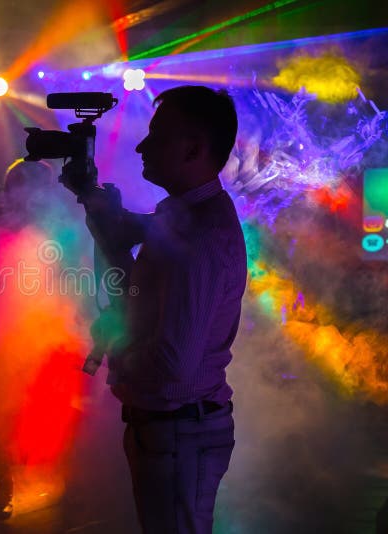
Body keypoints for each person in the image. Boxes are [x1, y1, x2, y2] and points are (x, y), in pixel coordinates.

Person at [70, 85, 247, 533]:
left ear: (194, 148)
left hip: (177, 433)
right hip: (172, 434)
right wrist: (93, 200)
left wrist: (121, 355)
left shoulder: (200, 236)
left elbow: (175, 367)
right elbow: (123, 246)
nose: (141, 145)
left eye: (157, 135)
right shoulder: (182, 218)